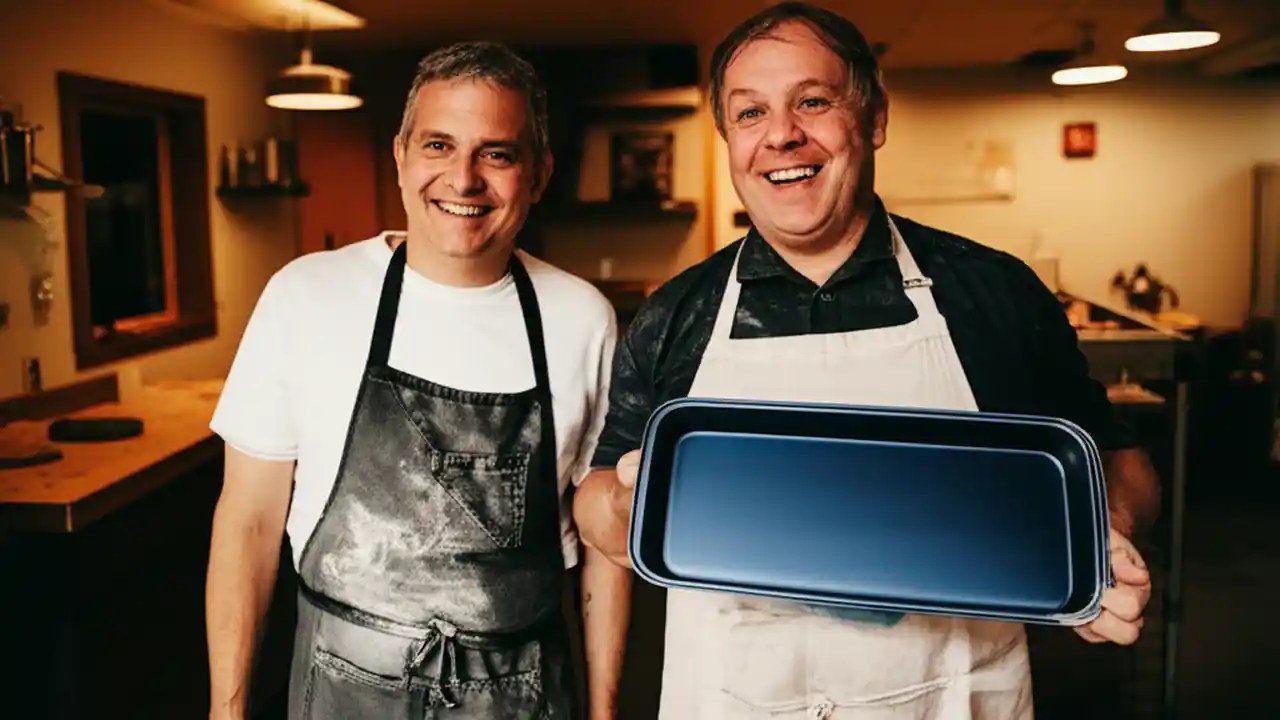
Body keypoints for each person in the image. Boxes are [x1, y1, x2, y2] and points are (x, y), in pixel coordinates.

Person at [573, 3, 1161, 718]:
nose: (782, 135)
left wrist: (1103, 533)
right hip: (734, 700)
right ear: (728, 138)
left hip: (950, 698)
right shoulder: (675, 315)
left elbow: (1117, 462)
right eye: (750, 113)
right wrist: (624, 508)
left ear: (874, 117)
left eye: (813, 102)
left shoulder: (994, 293)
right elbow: (597, 494)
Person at [205, 42, 629, 720]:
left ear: (539, 173)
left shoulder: (582, 318)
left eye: (497, 153)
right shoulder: (305, 295)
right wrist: (225, 712)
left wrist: (605, 711)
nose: (463, 179)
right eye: (438, 145)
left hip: (522, 697)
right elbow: (248, 522)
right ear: (400, 155)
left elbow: (606, 545)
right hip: (340, 688)